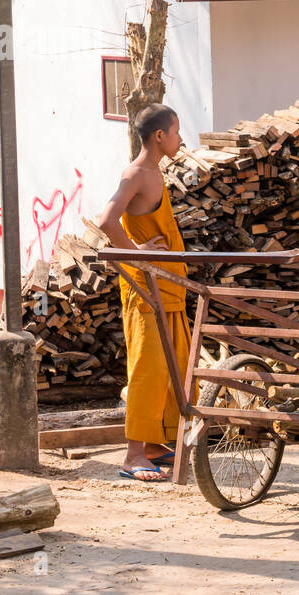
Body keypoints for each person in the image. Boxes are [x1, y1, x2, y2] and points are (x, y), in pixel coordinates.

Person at [96, 104, 192, 482]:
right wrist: (136, 253)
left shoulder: (154, 173)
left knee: (175, 365)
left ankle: (155, 444)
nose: (180, 139)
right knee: (148, 368)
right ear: (159, 136)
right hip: (145, 287)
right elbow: (107, 220)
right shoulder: (136, 174)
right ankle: (133, 453)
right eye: (177, 131)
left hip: (167, 284)